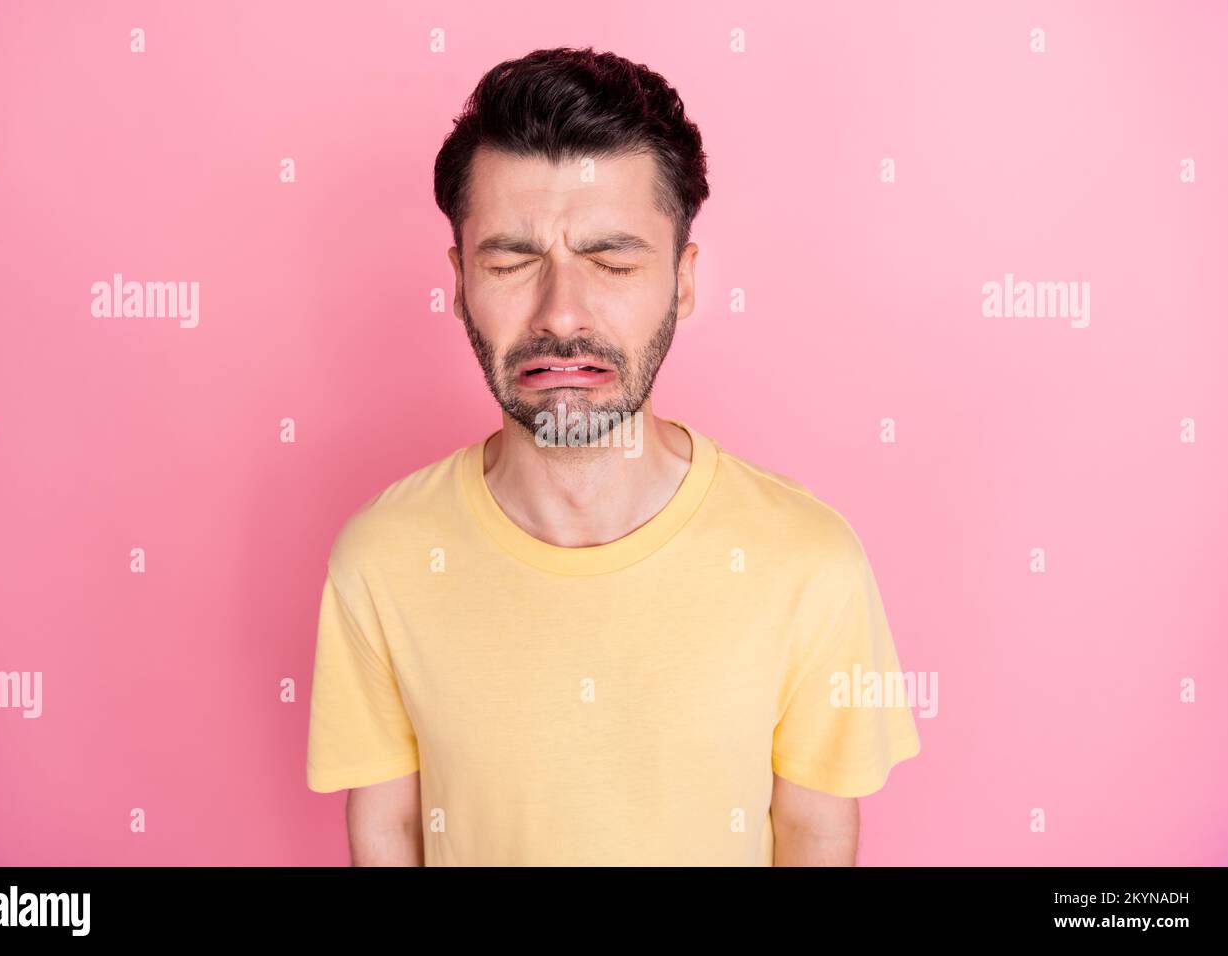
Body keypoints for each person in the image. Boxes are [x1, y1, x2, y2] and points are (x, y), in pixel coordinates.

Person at [305, 46, 920, 866]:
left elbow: (812, 833)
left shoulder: (811, 561)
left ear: (684, 280)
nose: (562, 313)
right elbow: (393, 830)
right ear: (457, 281)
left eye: (613, 260)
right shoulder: (380, 558)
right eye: (511, 260)